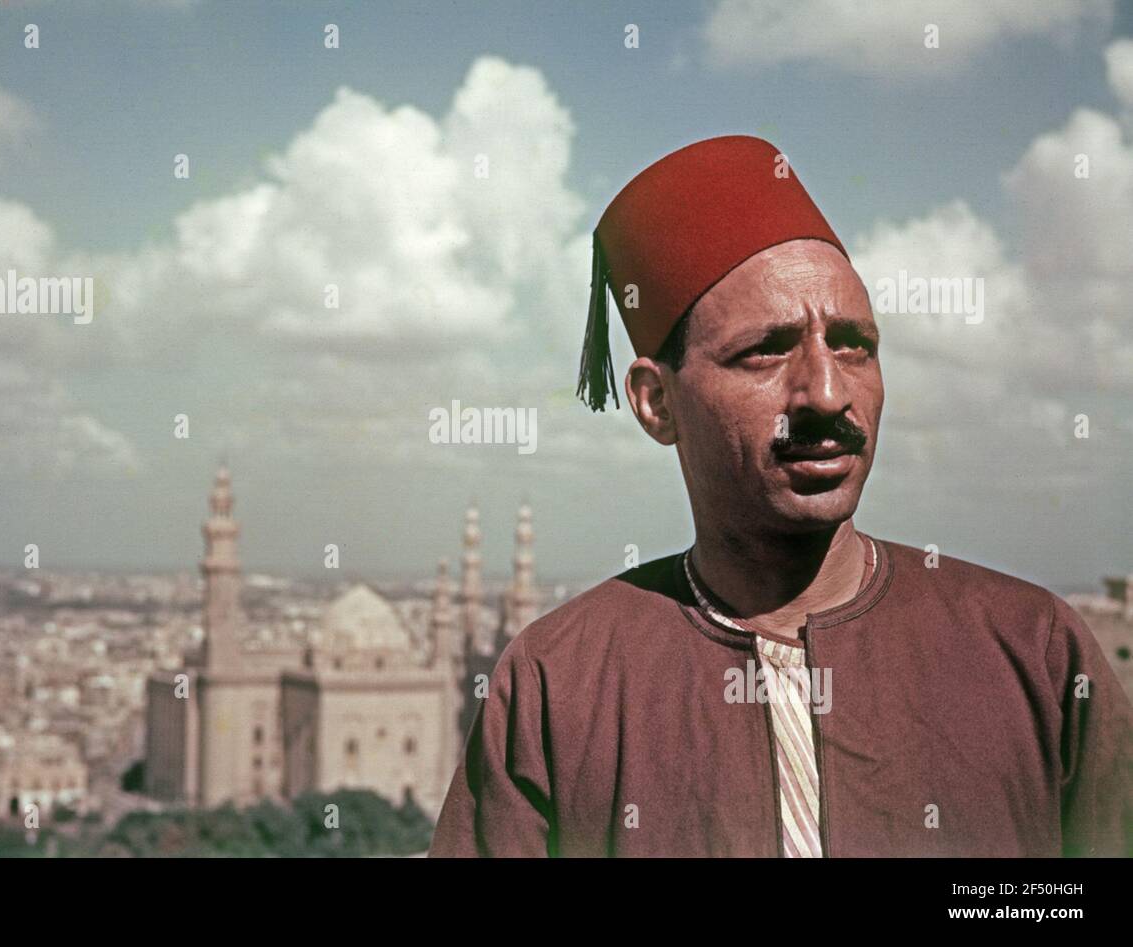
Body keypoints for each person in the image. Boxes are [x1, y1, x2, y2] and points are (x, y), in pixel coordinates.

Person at [428, 135, 1133, 858]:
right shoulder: (560, 684)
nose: (827, 392)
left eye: (854, 344)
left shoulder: (1034, 654)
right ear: (655, 402)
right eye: (766, 349)